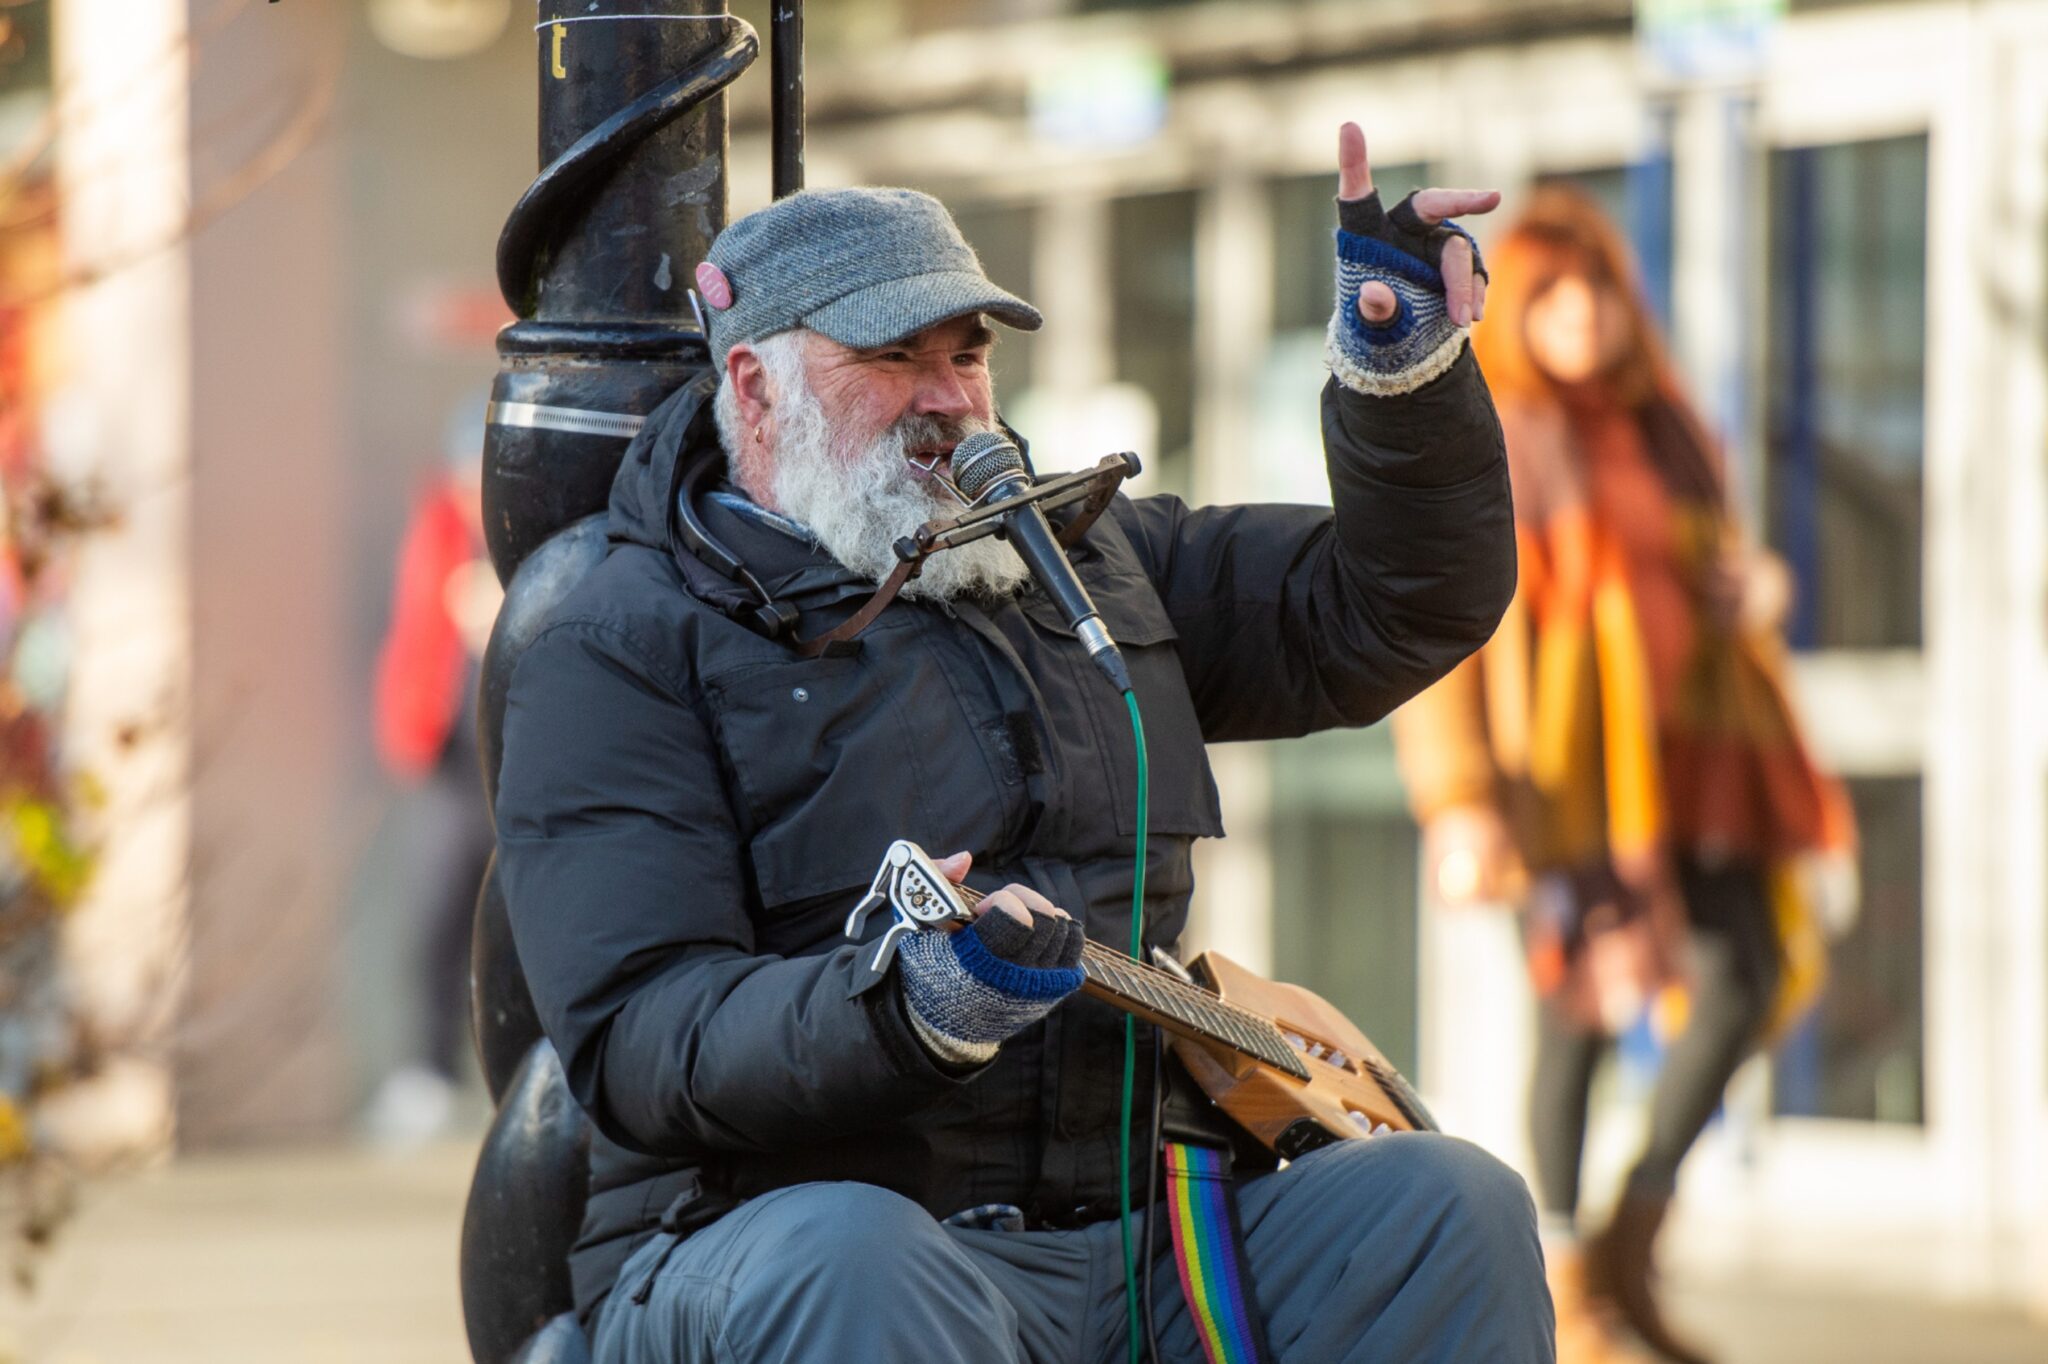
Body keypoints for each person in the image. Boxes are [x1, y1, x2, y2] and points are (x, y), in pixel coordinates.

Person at [495, 124, 1552, 1364]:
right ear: (753, 386)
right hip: (774, 1233)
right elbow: (639, 1034)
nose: (947, 395)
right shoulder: (618, 634)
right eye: (892, 356)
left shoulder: (1087, 559)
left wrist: (1400, 369)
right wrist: (907, 1005)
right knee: (853, 1262)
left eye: (967, 352)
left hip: (1130, 1228)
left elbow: (1393, 603)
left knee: (1446, 1207)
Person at [1393, 185, 1854, 1364]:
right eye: (1548, 295)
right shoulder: (1492, 442)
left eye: (1593, 288)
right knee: (1582, 1010)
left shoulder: (1666, 426)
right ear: (1517, 314)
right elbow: (1445, 627)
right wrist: (1457, 801)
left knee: (1746, 974)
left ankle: (1621, 1252)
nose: (1578, 314)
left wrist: (1759, 591)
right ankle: (1571, 1297)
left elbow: (1717, 570)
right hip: (1564, 781)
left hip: (1696, 769)